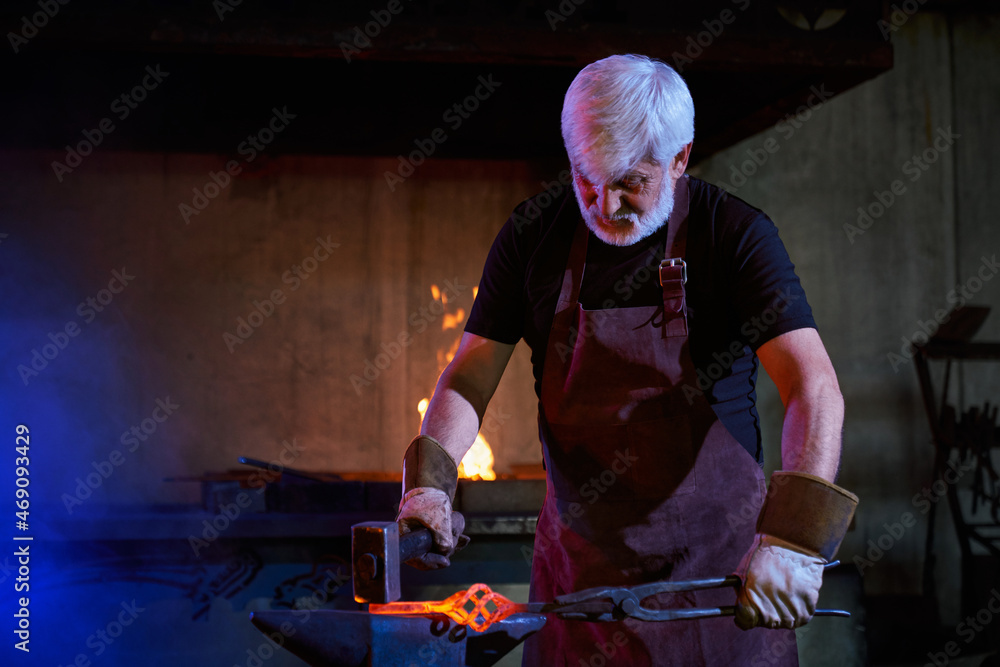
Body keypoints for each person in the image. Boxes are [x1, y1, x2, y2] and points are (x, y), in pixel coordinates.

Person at [395, 53, 858, 666]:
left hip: (720, 585)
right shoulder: (533, 235)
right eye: (588, 178)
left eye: (631, 183)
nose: (606, 203)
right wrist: (429, 485)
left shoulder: (734, 234)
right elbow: (469, 377)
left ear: (680, 159)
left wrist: (795, 538)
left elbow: (814, 387)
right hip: (580, 584)